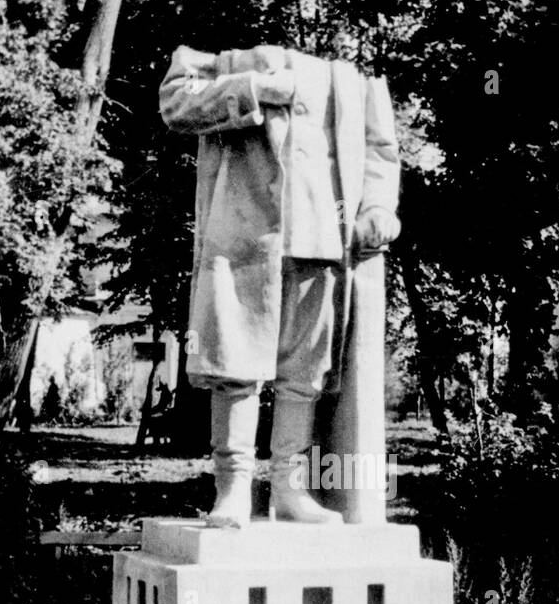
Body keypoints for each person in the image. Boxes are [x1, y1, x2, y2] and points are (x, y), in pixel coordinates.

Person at [160, 43, 400, 525]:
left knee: (304, 372)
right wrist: (253, 89)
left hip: (322, 237)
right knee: (235, 362)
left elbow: (379, 150)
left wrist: (376, 208)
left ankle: (290, 491)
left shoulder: (353, 78)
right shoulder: (213, 56)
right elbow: (176, 105)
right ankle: (232, 491)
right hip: (245, 236)